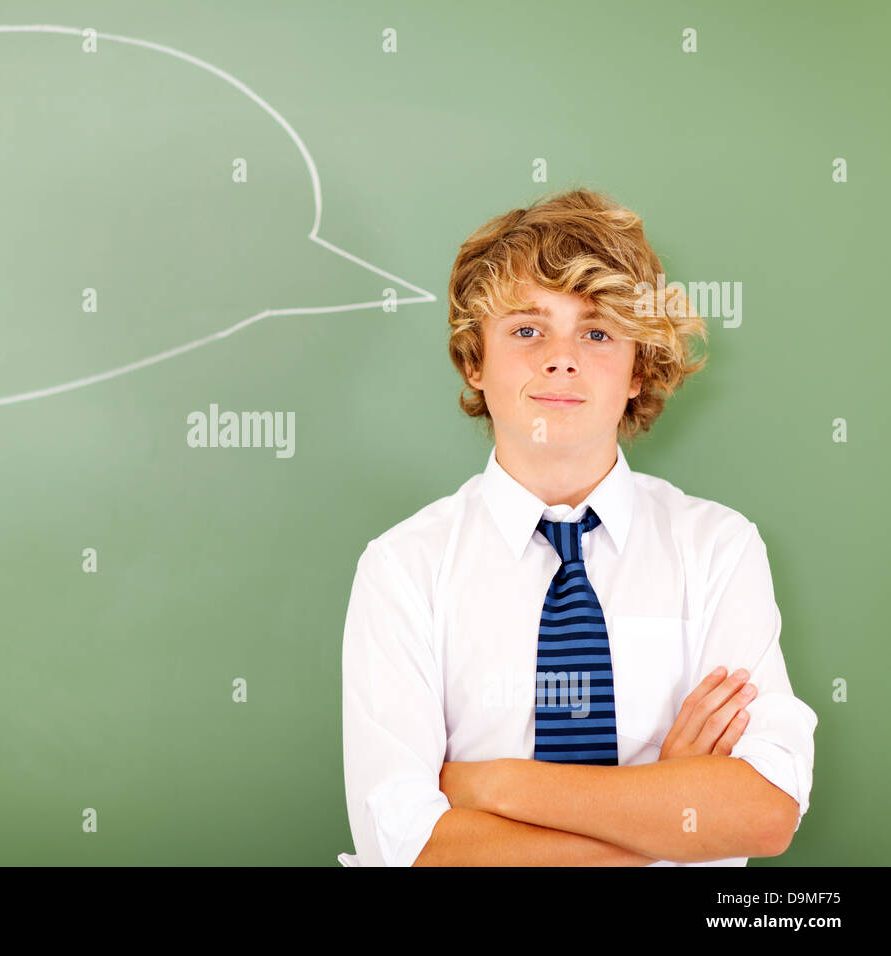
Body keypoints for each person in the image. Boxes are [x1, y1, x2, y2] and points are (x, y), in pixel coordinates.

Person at [338, 187, 817, 866]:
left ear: (637, 369)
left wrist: (496, 785)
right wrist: (661, 804)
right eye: (527, 329)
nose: (561, 358)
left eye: (596, 332)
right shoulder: (403, 570)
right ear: (475, 361)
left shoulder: (717, 549)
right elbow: (411, 846)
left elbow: (763, 812)